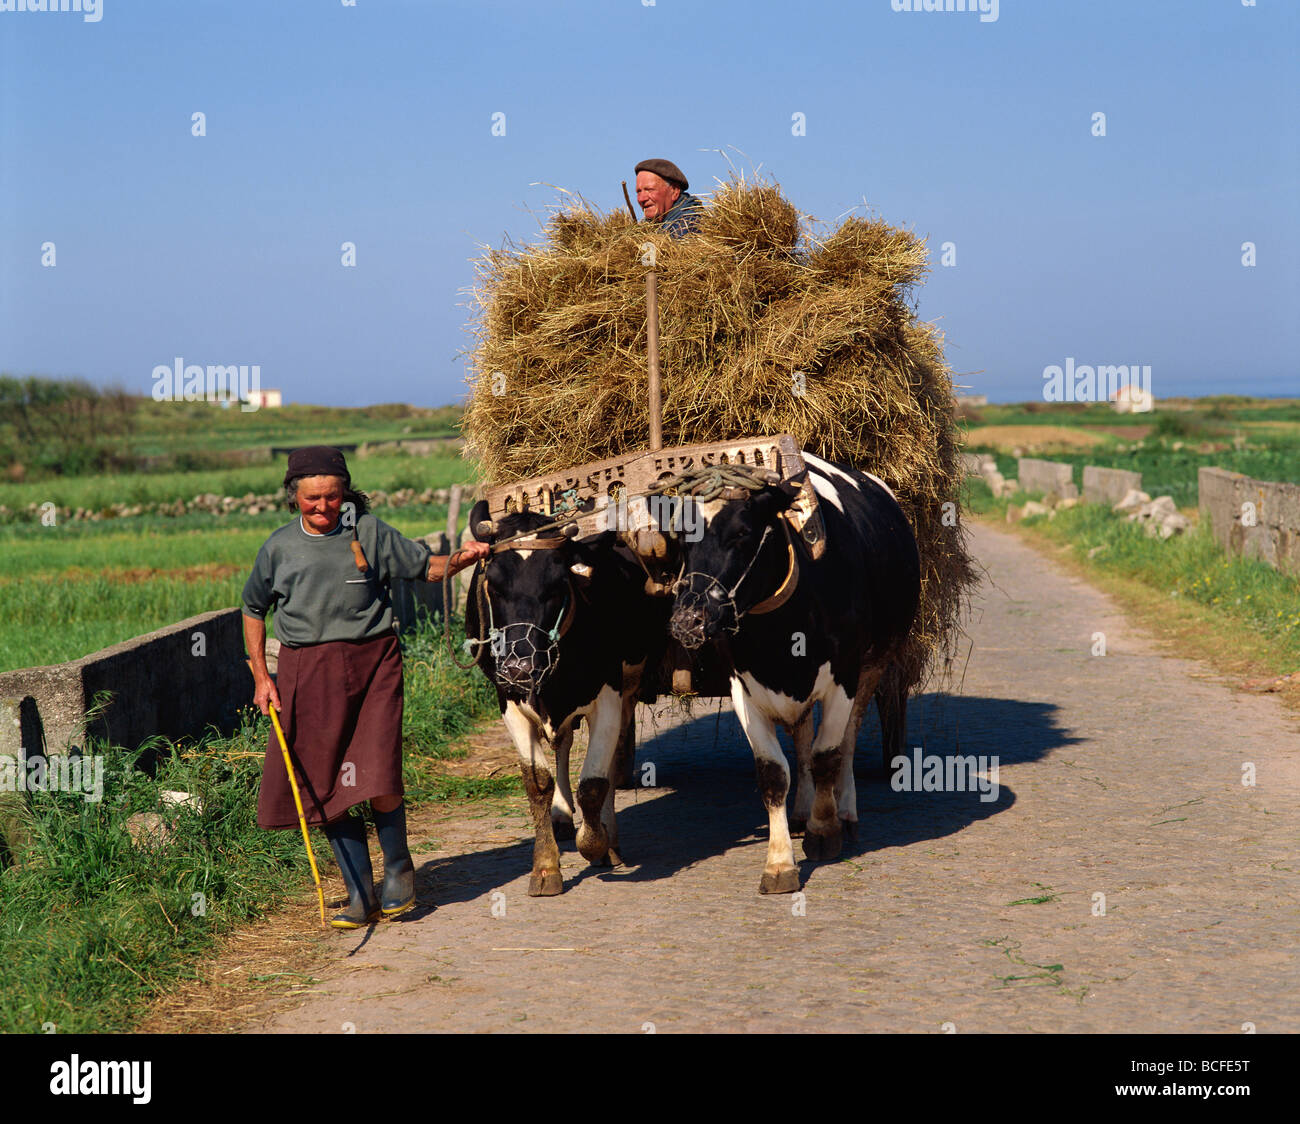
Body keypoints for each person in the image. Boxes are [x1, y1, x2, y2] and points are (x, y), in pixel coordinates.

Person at [242, 446, 489, 929]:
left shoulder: (369, 532)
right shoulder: (277, 547)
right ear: (294, 498)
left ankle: (398, 870)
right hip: (305, 673)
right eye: (312, 498)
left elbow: (427, 567)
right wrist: (261, 677)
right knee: (326, 780)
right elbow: (253, 609)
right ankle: (359, 892)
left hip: (374, 663)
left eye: (332, 497)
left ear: (345, 494)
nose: (323, 507)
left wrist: (465, 558)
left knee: (376, 772)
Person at [634, 158, 703, 238]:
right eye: (638, 192)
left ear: (674, 191)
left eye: (649, 190)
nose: (641, 199)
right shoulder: (656, 229)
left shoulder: (687, 226)